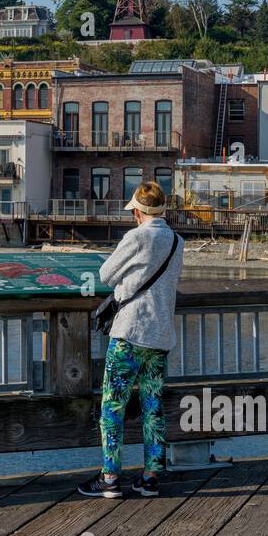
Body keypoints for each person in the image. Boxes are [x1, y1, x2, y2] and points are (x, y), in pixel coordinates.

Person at [78, 181, 183, 500]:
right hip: (161, 335)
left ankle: (110, 477)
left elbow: (107, 274)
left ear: (137, 211)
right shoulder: (178, 241)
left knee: (113, 404)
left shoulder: (137, 236)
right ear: (162, 210)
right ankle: (150, 477)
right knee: (153, 405)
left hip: (130, 333)